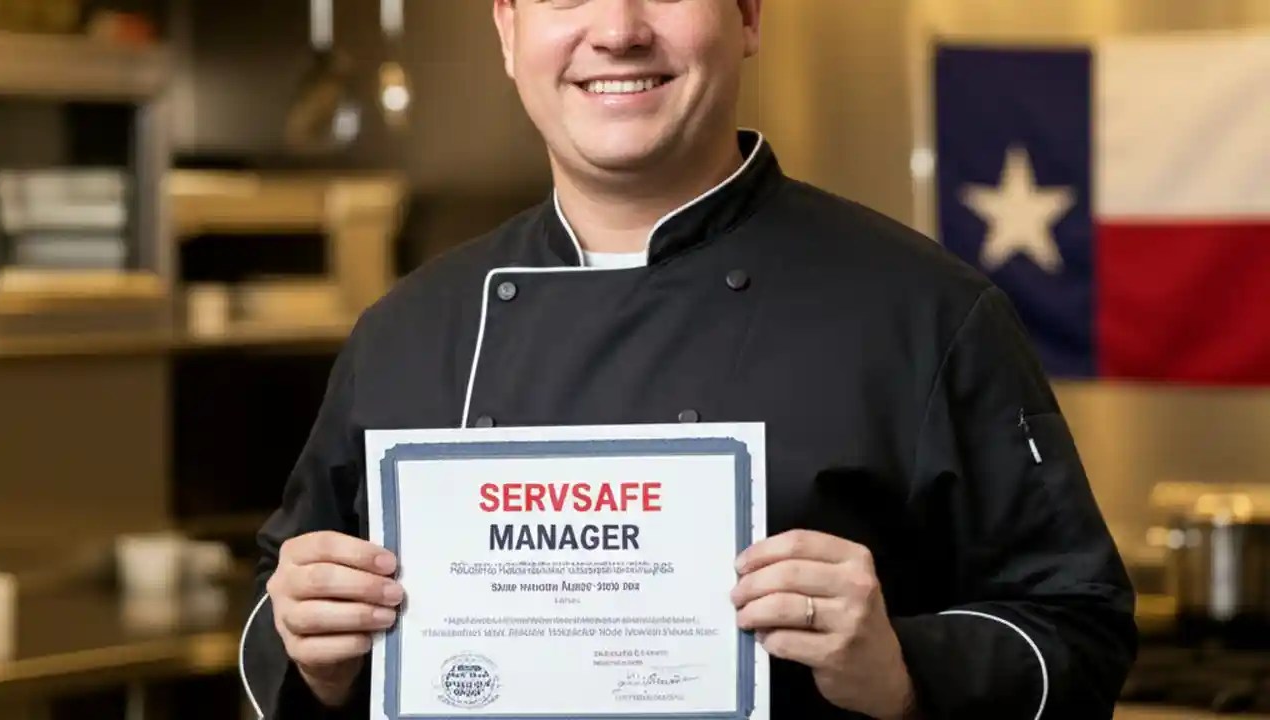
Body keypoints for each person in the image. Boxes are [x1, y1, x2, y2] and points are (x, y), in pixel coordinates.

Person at [240, 1, 1137, 718]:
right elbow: (272, 613)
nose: (620, 29)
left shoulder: (927, 311)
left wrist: (905, 672)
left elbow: (1079, 632)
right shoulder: (405, 330)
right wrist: (313, 650)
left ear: (749, 18)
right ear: (509, 31)